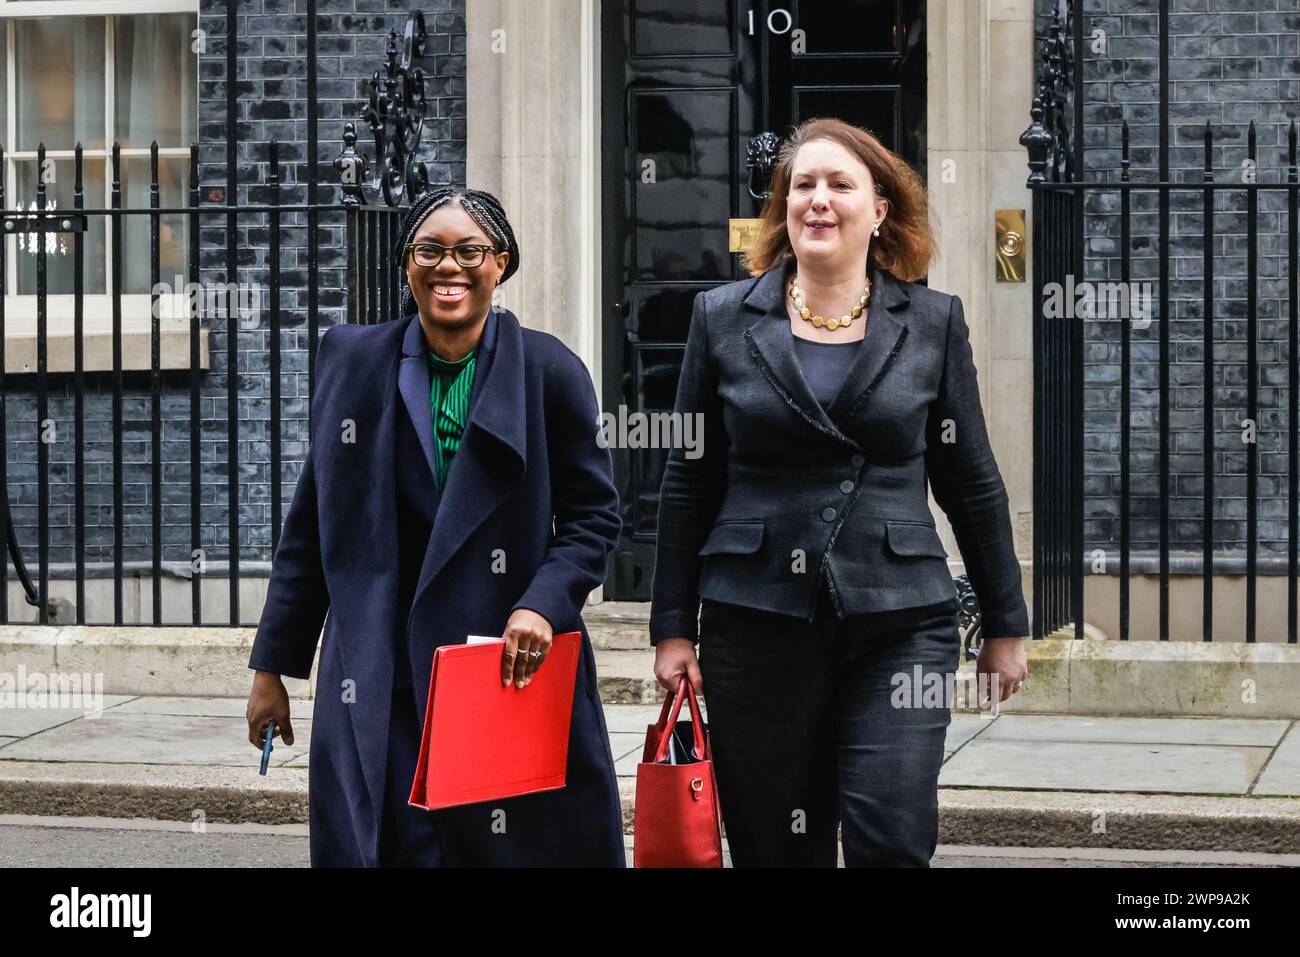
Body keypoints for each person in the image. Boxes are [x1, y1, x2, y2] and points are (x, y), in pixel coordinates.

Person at [648, 117, 1030, 867]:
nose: (817, 200)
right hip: (753, 619)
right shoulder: (723, 318)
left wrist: (1005, 623)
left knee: (891, 835)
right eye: (802, 185)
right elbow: (690, 477)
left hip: (899, 619)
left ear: (880, 208)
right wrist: (672, 625)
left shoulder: (931, 322)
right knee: (775, 845)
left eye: (839, 184)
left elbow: (971, 480)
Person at [245, 187, 626, 867]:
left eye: (469, 250)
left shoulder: (550, 372)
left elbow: (594, 517)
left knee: (504, 849)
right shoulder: (354, 361)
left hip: (501, 661)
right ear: (407, 264)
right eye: (430, 250)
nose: (449, 266)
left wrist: (542, 603)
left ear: (501, 263)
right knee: (395, 844)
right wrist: (273, 665)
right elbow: (313, 521)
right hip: (379, 664)